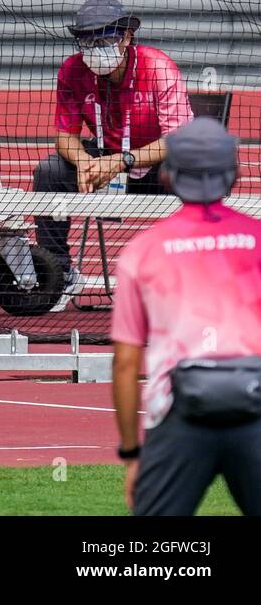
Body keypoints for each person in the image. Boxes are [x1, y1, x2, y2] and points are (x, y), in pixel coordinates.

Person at [111, 117, 261, 515]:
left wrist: (131, 453)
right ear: (233, 175)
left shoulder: (142, 252)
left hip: (176, 416)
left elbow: (126, 364)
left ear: (168, 175)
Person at [33, 0, 192, 290]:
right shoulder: (72, 71)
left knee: (192, 170)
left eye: (104, 39)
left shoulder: (158, 67)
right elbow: (65, 136)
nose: (95, 49)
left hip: (155, 167)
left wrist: (123, 160)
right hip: (103, 164)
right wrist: (83, 162)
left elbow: (178, 139)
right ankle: (58, 274)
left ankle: (187, 272)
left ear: (127, 36)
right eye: (87, 41)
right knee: (50, 172)